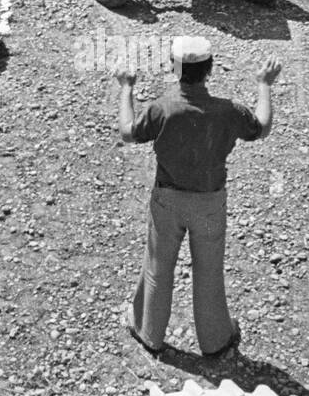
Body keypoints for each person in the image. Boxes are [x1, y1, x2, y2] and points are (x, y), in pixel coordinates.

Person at [116, 37, 282, 359]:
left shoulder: (161, 109)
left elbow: (126, 131)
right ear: (210, 69)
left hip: (167, 201)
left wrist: (127, 87)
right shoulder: (227, 111)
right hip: (210, 203)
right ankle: (216, 340)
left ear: (174, 69)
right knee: (209, 271)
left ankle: (149, 333)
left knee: (157, 266)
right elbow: (262, 127)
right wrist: (264, 84)